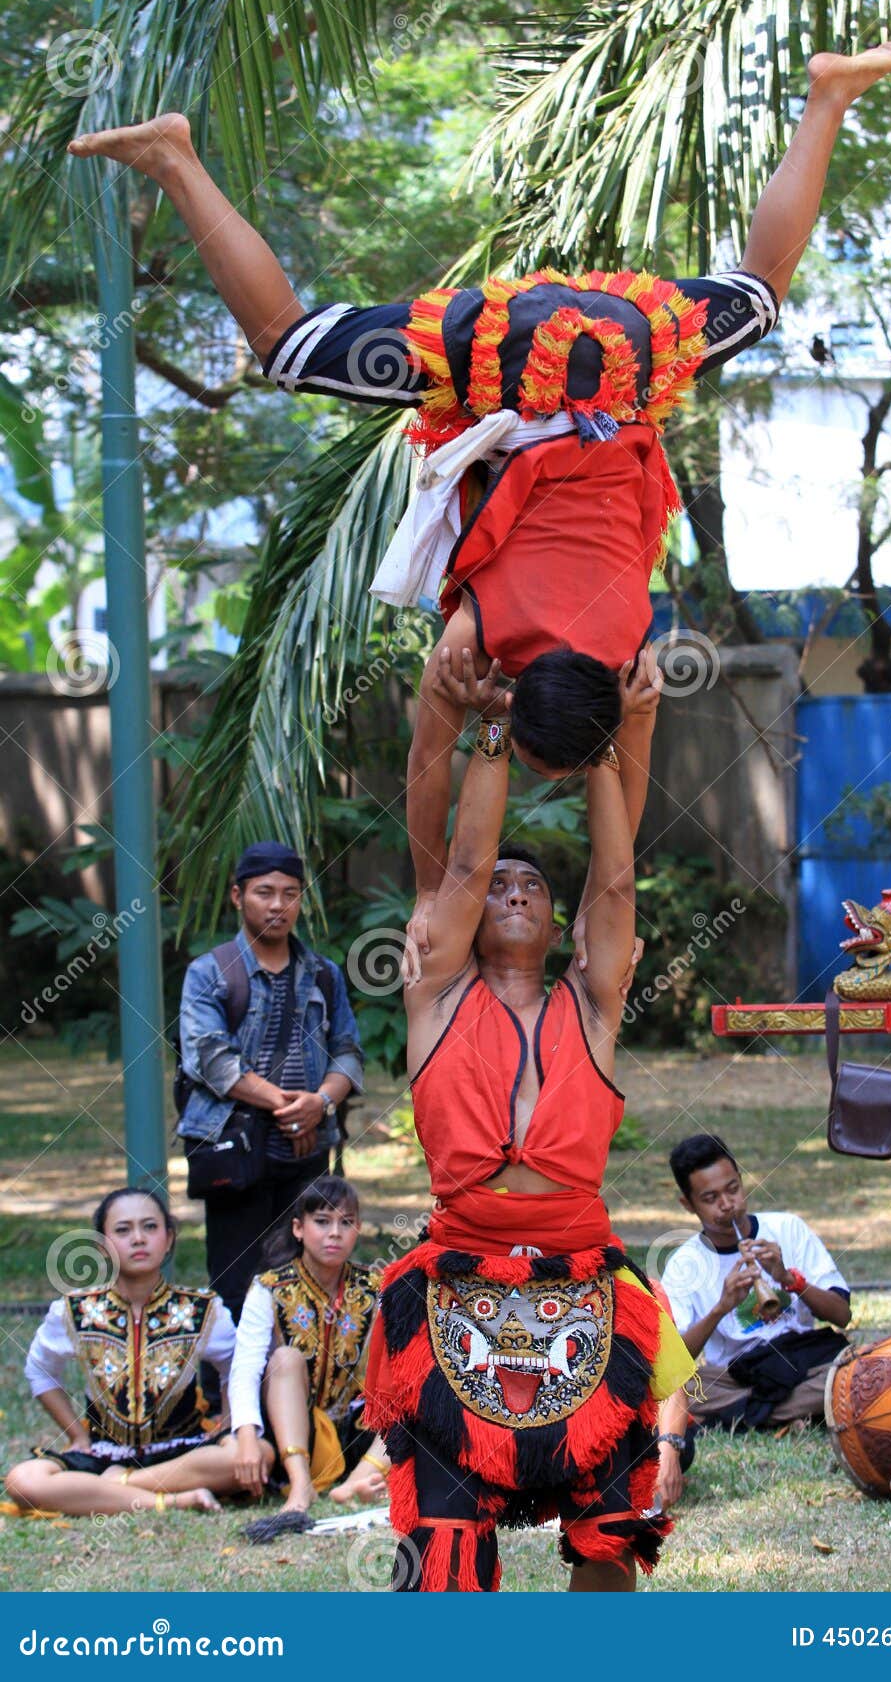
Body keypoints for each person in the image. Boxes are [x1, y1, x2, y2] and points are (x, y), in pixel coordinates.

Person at [67, 43, 891, 917]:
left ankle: (826, 97)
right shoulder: (477, 644)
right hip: (503, 363)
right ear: (516, 704)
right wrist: (435, 893)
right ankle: (174, 158)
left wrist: (624, 725)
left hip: (622, 351)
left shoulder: (631, 656)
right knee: (286, 344)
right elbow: (425, 771)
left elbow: (621, 764)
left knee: (761, 292)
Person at [361, 647, 694, 1592]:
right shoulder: (433, 989)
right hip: (455, 1285)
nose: (509, 891)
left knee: (608, 1533)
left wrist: (607, 740)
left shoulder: (592, 1005)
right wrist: (498, 725)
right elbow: (464, 858)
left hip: (584, 1284)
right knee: (445, 1542)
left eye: (531, 889)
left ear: (559, 926)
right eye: (499, 888)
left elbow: (617, 881)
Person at [178, 842, 363, 1349]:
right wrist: (292, 1104)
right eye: (264, 893)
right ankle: (237, 1412)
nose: (278, 905)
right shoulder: (210, 972)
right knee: (237, 1281)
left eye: (290, 893)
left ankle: (302, 1397)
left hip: (306, 1149)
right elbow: (210, 1061)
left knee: (305, 1276)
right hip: (233, 1150)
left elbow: (348, 1053)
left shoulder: (324, 973)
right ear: (238, 896)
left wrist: (320, 1102)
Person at [4, 1189, 270, 1516]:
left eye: (150, 1227)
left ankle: (116, 1488)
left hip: (185, 1452)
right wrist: (76, 1435)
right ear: (102, 1246)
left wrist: (228, 1426)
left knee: (259, 1453)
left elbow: (236, 1368)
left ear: (169, 1238)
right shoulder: (74, 1311)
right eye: (122, 1230)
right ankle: (170, 1499)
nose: (138, 1239)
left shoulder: (202, 1308)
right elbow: (39, 1370)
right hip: (104, 1453)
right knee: (23, 1480)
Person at [227, 1176, 387, 1542]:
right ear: (298, 1228)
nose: (335, 1233)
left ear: (358, 1229)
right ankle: (301, 1486)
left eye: (346, 1222)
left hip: (356, 1431)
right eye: (322, 1221)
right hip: (294, 1436)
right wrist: (247, 1437)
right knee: (285, 1358)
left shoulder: (376, 1286)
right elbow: (245, 1369)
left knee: (415, 1377)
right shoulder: (270, 1287)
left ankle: (360, 1479)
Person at [662, 1134, 851, 1435]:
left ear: (741, 1180)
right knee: (679, 1390)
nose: (727, 1205)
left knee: (863, 1368)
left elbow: (842, 1315)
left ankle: (752, 1416)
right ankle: (800, 1410)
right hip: (737, 1375)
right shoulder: (684, 1264)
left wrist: (788, 1279)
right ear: (688, 1204)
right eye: (710, 1199)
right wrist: (721, 1308)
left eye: (733, 1189)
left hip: (803, 1361)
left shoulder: (788, 1227)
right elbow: (675, 1361)